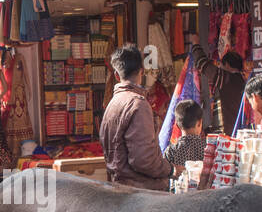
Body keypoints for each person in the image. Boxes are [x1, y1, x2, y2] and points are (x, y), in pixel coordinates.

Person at [100, 44, 174, 191]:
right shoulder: (138, 104)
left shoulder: (112, 104)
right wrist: (171, 170)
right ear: (141, 72)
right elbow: (143, 160)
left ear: (116, 75)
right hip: (141, 193)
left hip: (119, 188)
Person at [187, 37, 245, 135]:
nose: (219, 68)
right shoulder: (240, 81)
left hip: (228, 133)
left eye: (220, 66)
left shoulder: (228, 79)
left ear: (226, 65)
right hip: (235, 130)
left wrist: (195, 44)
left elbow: (204, 65)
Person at [163, 99, 207, 176]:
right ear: (200, 123)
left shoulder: (171, 150)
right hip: (204, 188)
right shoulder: (207, 148)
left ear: (176, 125)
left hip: (178, 187)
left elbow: (164, 173)